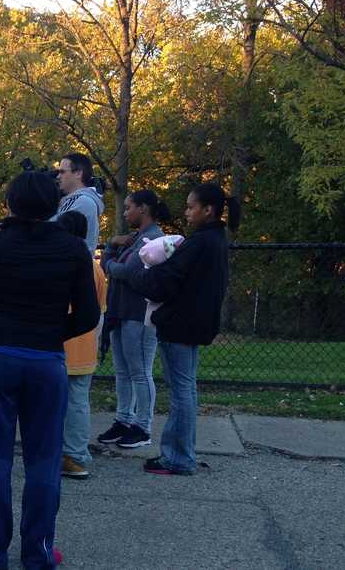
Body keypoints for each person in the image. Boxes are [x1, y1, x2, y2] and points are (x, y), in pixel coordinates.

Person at [0, 171, 99, 569]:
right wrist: (51, 332)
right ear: (54, 204)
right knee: (44, 459)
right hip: (46, 361)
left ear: (10, 204)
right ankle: (38, 552)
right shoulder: (72, 250)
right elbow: (88, 315)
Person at [108, 183, 238, 476]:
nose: (187, 211)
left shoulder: (199, 244)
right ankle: (183, 453)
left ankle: (177, 457)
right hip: (194, 323)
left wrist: (140, 277)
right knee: (186, 390)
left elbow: (164, 280)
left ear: (209, 210)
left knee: (181, 393)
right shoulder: (214, 240)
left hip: (181, 325)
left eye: (192, 206)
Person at [97, 190, 169, 449]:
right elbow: (111, 264)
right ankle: (123, 420)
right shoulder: (134, 238)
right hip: (120, 312)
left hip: (139, 315)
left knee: (140, 372)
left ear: (144, 208)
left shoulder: (154, 239)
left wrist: (111, 259)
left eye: (129, 208)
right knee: (122, 371)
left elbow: (127, 271)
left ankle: (143, 427)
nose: (125, 213)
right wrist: (112, 246)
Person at [51, 154, 104, 481]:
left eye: (62, 171)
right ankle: (69, 452)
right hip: (78, 339)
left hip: (75, 342)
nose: (58, 176)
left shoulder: (82, 205)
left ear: (80, 173)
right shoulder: (91, 269)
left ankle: (74, 455)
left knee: (74, 398)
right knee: (72, 396)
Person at [54, 153, 104, 252]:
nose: (58, 176)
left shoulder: (83, 201)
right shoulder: (72, 200)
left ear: (78, 174)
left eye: (62, 172)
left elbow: (56, 235)